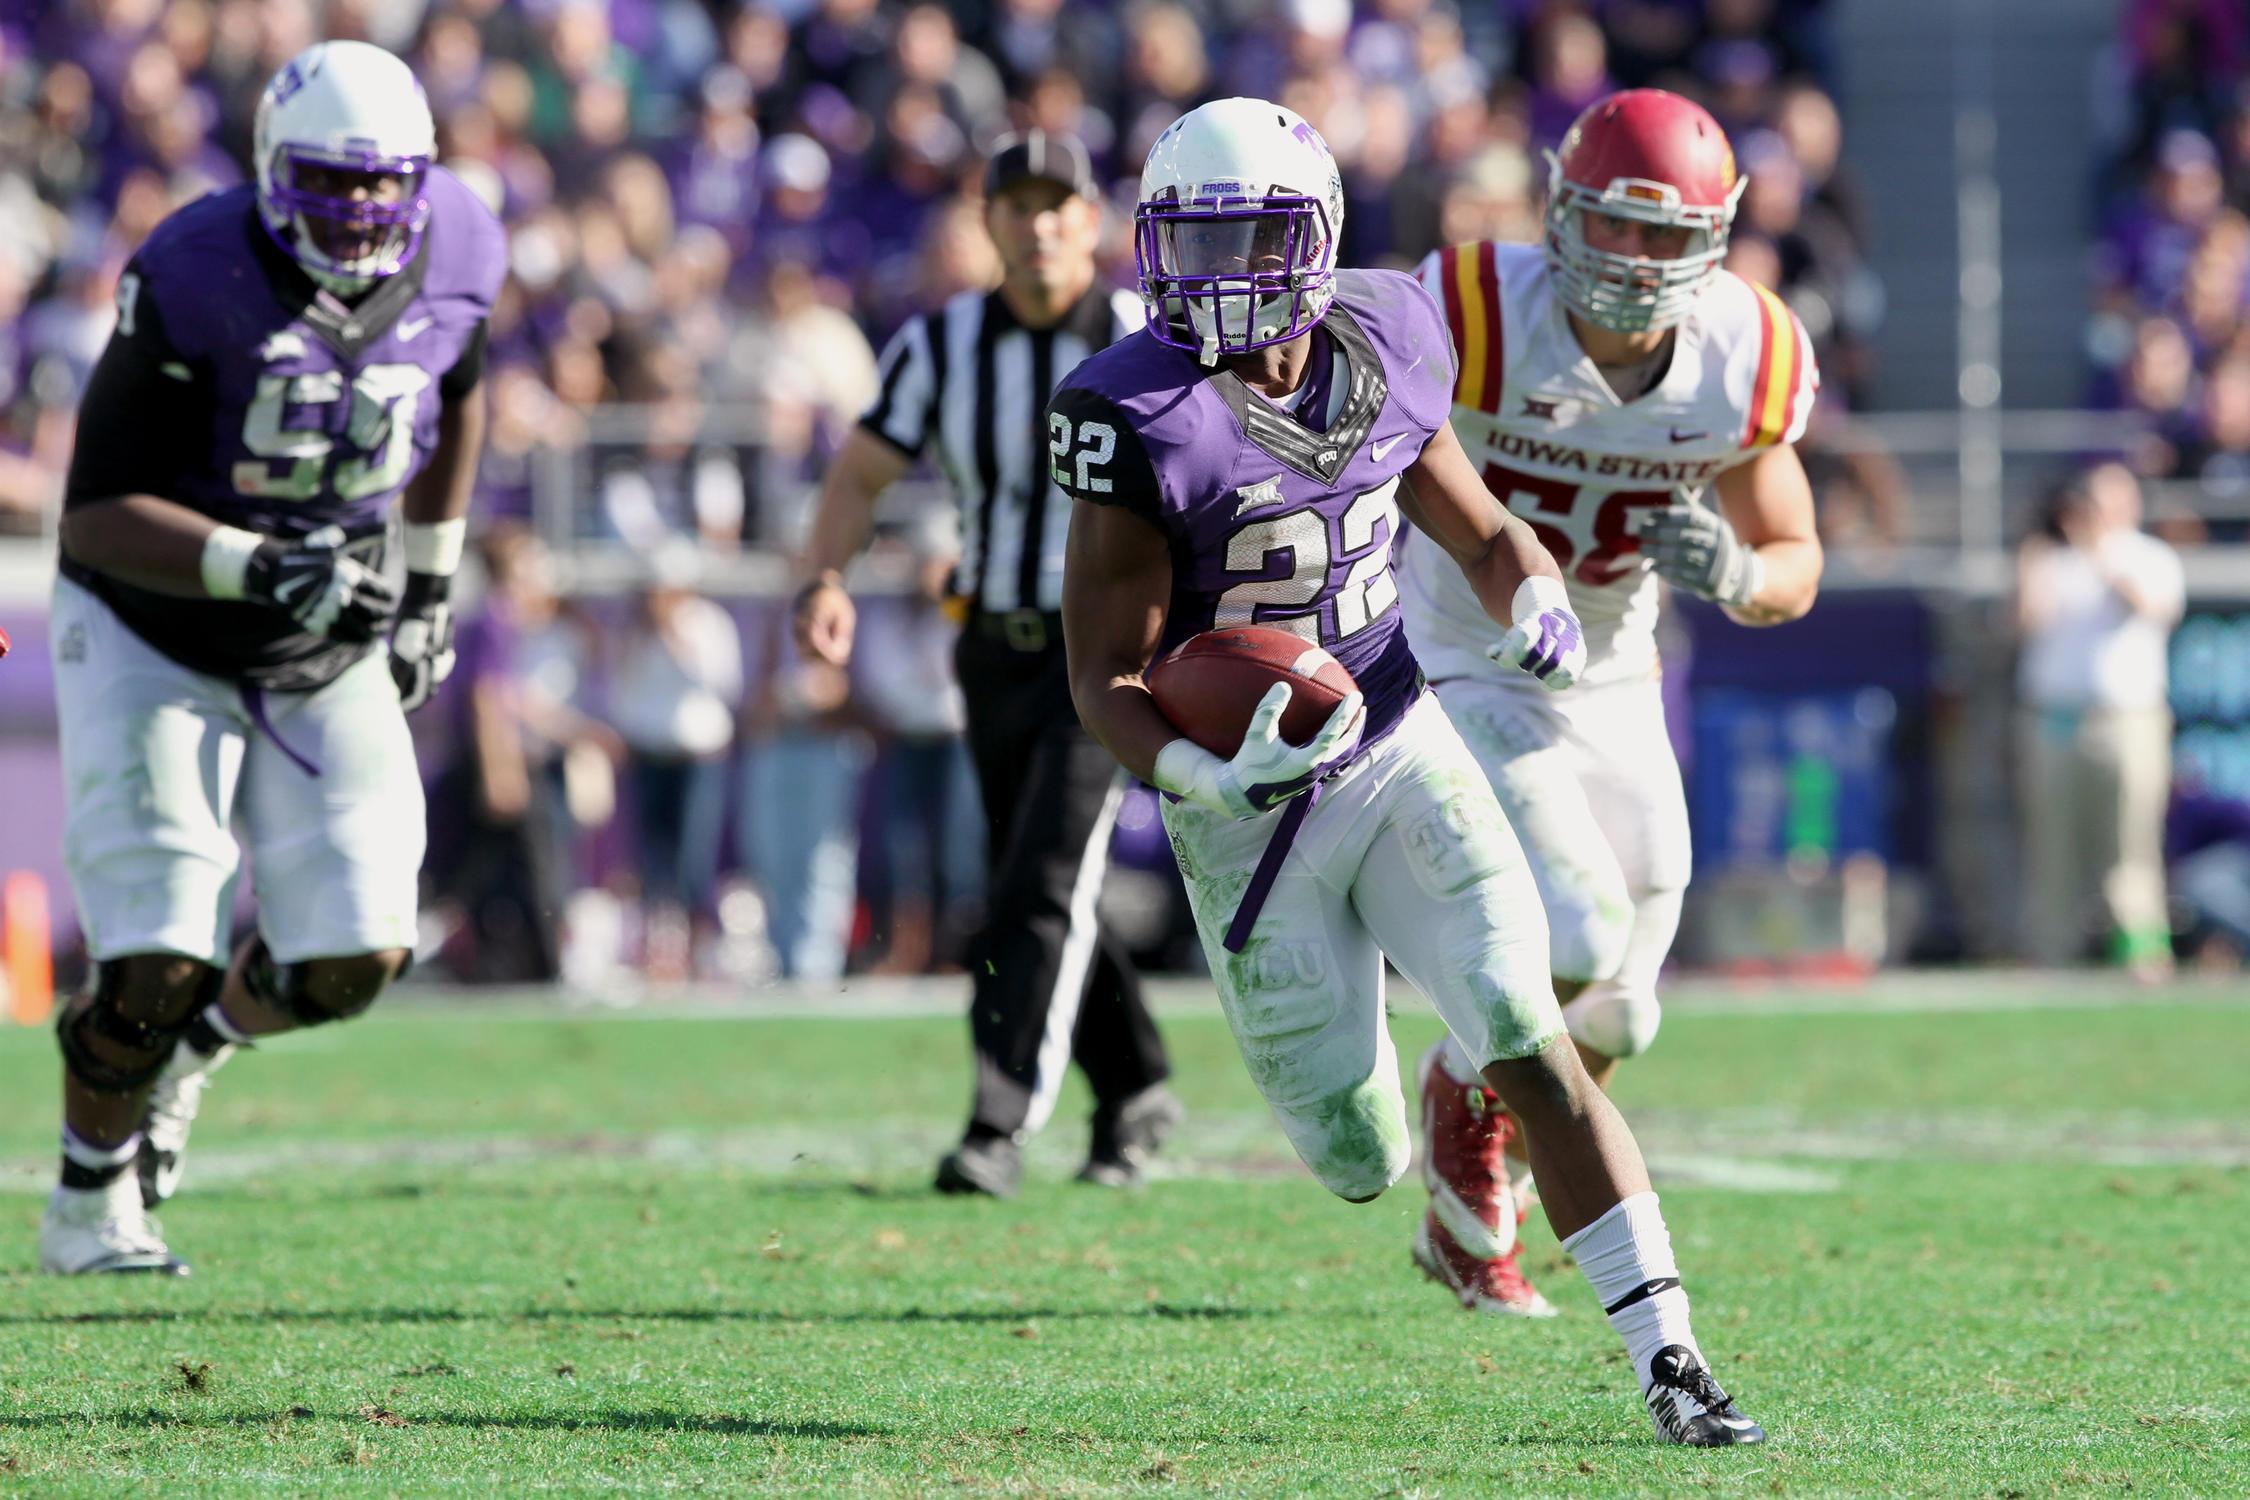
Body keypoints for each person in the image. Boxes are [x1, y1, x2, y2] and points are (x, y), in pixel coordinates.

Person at [1054, 96, 1763, 1446]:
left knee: (1524, 1026)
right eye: (1190, 245)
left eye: (1250, 241)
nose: (1215, 279)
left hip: (1390, 737)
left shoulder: (1385, 329)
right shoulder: (1126, 412)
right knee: (1356, 1156)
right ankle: (1395, 1131)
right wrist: (1195, 776)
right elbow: (1107, 678)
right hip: (1245, 817)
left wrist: (1532, 591)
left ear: (1315, 240)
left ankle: (1670, 1358)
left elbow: (1483, 522)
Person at [39, 40, 506, 1274]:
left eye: (381, 183)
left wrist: (432, 583)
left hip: (325, 625)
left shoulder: (463, 243)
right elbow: (92, 513)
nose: (358, 211)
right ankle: (90, 1204)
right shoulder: (192, 271)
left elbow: (460, 395)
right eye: (327, 181)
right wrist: (257, 561)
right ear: (266, 170)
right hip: (153, 619)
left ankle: (193, 1059)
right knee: (155, 951)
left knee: (356, 956)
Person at [1397, 88, 1824, 1319]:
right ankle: (1461, 1087)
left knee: (1625, 1003)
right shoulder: (1475, 308)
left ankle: (1467, 1167)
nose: (1634, 262)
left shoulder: (1748, 351)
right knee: (1573, 935)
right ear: (1558, 209)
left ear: (1716, 234)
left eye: (1662, 235)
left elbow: (1793, 553)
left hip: (1616, 674)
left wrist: (1742, 577)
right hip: (1464, 653)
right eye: (1611, 228)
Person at [794, 130, 1179, 1196]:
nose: (1041, 224)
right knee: (1040, 882)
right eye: (1019, 205)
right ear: (989, 224)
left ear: (1092, 223)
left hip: (1104, 656)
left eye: (1060, 205)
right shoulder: (939, 345)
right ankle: (1139, 1087)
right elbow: (860, 473)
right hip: (991, 652)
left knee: (1037, 881)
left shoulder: (1147, 338)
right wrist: (823, 578)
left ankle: (997, 1122)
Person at [2016, 463, 2184, 976]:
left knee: (2131, 841)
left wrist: (2102, 552)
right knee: (2053, 842)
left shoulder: (2150, 557)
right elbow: (2027, 621)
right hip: (2055, 720)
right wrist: (2037, 554)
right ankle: (2051, 952)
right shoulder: (2051, 560)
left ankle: (2140, 949)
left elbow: (2150, 606)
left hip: (2128, 719)